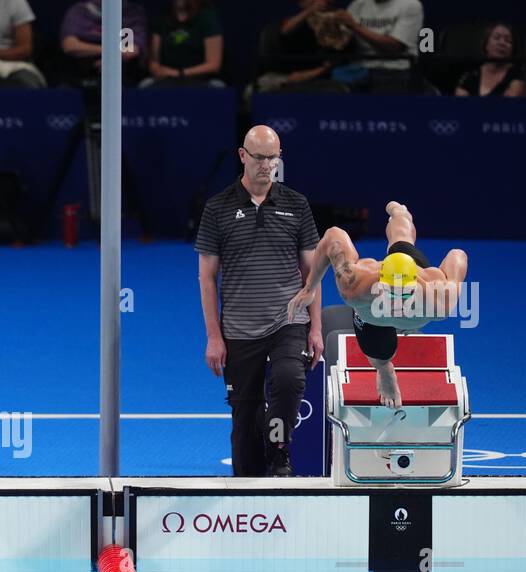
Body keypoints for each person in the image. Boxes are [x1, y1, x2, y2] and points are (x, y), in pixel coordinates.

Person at [197, 126, 323, 478]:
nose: (267, 165)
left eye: (273, 157)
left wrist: (316, 327)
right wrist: (213, 336)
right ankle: (247, 488)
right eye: (259, 157)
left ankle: (279, 451)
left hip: (288, 320)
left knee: (288, 381)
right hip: (239, 327)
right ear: (242, 156)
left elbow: (312, 271)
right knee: (245, 416)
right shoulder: (217, 208)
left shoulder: (297, 204)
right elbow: (206, 277)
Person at [288, 201, 468, 409]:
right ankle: (384, 371)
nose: (399, 303)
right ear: (381, 284)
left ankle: (400, 213)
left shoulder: (439, 300)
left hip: (414, 285)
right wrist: (310, 287)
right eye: (392, 295)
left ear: (416, 285)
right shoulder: (355, 287)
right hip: (373, 318)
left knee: (402, 240)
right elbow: (332, 236)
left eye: (405, 295)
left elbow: (458, 256)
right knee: (379, 352)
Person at [60, 0, 149, 85]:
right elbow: (70, 46)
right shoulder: (79, 12)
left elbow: (130, 49)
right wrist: (110, 54)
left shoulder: (131, 13)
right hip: (81, 72)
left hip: (120, 73)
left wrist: (111, 62)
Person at [145, 0, 222, 88]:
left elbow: (214, 65)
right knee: (145, 86)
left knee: (218, 86)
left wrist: (180, 73)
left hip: (201, 79)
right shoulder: (161, 18)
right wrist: (157, 70)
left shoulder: (207, 18)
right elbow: (154, 62)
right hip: (166, 80)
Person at [454, 22, 526, 97]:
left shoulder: (518, 75)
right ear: (486, 45)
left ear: (512, 49)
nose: (502, 43)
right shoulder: (472, 74)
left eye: (508, 41)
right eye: (496, 38)